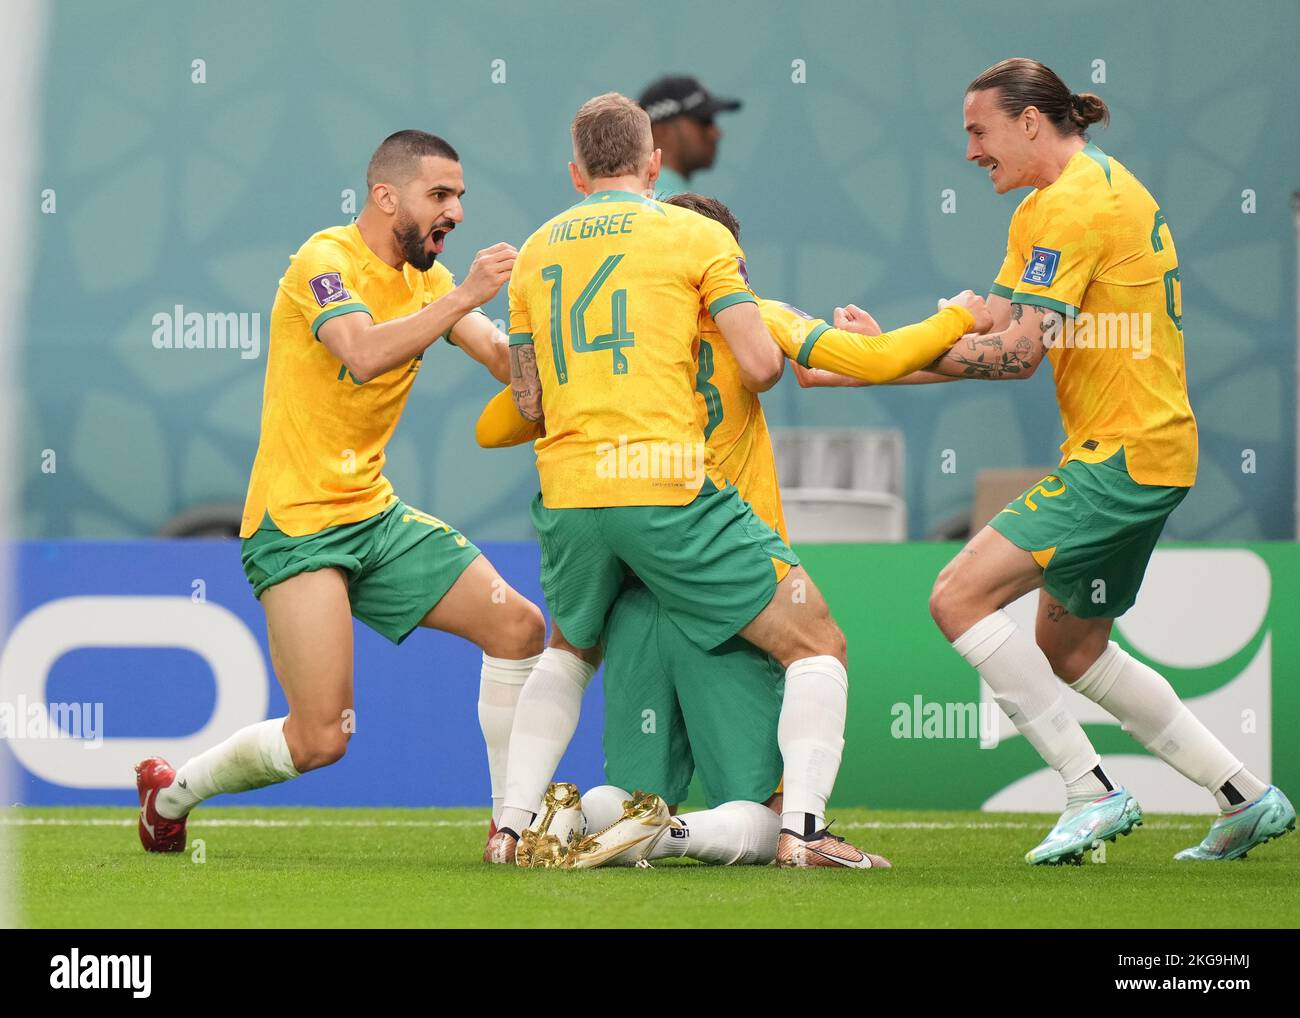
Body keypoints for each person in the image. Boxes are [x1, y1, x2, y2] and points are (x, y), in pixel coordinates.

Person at [799, 58, 1295, 864]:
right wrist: (870, 355)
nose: (970, 152)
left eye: (978, 131)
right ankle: (1244, 795)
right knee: (1071, 649)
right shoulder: (1063, 198)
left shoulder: (1074, 205)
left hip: (1120, 458)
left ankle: (1090, 788)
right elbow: (994, 319)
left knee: (957, 596)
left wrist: (874, 362)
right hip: (1152, 454)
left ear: (1030, 122)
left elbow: (1018, 354)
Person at [480, 177, 986, 867]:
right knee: (769, 794)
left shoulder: (618, 351)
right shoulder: (752, 317)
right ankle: (770, 836)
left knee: (627, 786)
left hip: (632, 597)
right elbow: (873, 358)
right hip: (724, 594)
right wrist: (957, 314)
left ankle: (547, 817)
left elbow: (497, 423)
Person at [134, 130, 546, 853]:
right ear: (387, 197)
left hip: (375, 517)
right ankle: (171, 793)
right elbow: (360, 354)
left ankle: (509, 827)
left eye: (459, 197)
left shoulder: (432, 282)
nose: (454, 211)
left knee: (520, 628)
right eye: (440, 195)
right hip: (296, 527)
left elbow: (500, 362)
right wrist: (468, 297)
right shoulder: (323, 262)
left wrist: (543, 338)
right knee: (321, 740)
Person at [638, 75, 741, 197]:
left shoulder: (627, 199)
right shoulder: (673, 207)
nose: (716, 133)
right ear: (663, 132)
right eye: (704, 121)